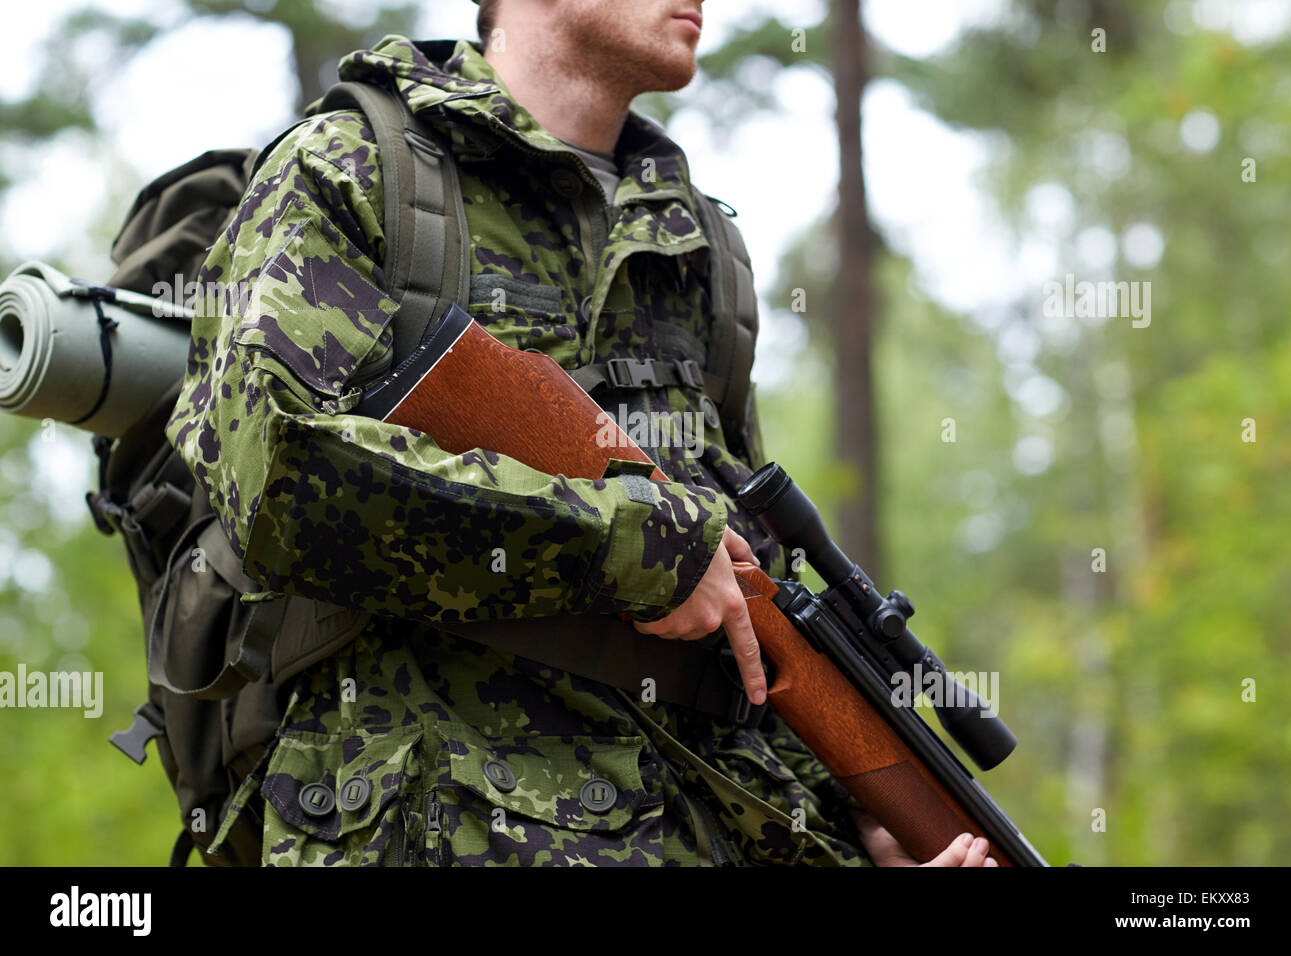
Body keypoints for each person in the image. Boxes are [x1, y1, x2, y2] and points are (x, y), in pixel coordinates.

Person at [165, 0, 996, 866]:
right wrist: (631, 544)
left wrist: (852, 824)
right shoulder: (356, 166)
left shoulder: (700, 243)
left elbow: (739, 613)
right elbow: (278, 479)